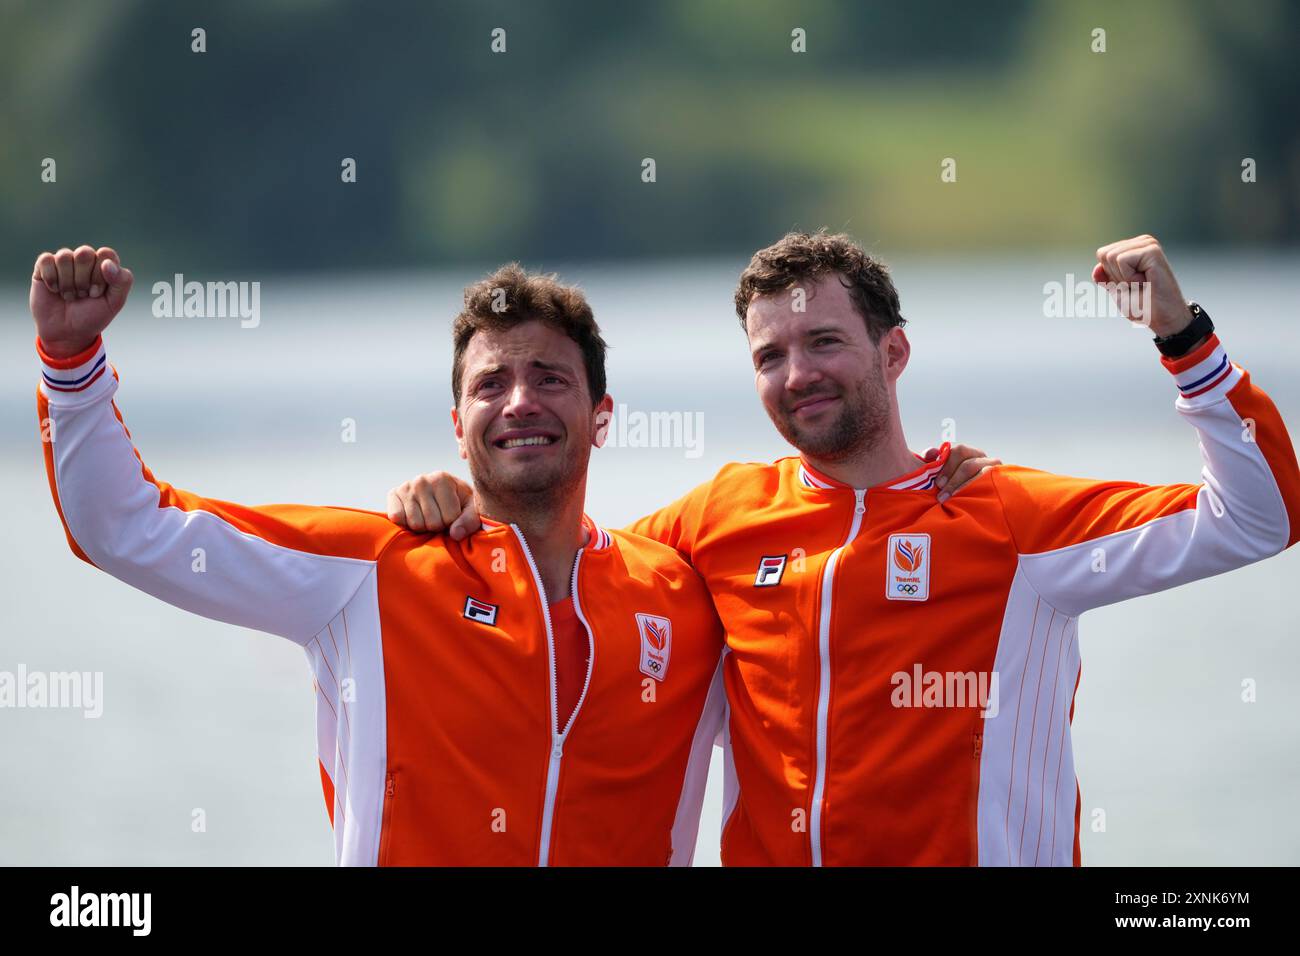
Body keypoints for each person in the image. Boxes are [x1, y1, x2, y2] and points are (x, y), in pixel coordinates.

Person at [386, 231, 1300, 865]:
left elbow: (1258, 517)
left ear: (893, 352)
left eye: (823, 341)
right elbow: (572, 565)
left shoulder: (1007, 516)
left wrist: (1184, 340)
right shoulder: (716, 521)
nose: (798, 375)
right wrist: (462, 502)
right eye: (770, 355)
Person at [31, 247, 729, 866]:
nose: (520, 402)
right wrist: (72, 364)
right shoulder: (373, 568)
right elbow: (126, 528)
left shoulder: (677, 595)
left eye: (549, 378)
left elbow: (812, 723)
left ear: (601, 415)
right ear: (458, 428)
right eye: (491, 384)